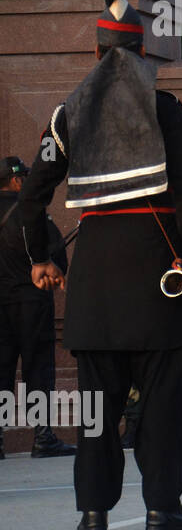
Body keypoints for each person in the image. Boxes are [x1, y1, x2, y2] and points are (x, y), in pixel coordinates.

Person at [19, 0, 182, 530]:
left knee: (97, 410)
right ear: (140, 52)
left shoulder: (67, 114)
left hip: (96, 285)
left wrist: (41, 257)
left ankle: (94, 515)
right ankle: (161, 510)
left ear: (97, 53)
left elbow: (31, 197)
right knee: (159, 403)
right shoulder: (164, 109)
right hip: (156, 278)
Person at [0, 156, 75, 459]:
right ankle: (42, 437)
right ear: (18, 181)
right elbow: (57, 257)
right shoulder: (29, 210)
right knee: (38, 369)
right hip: (31, 302)